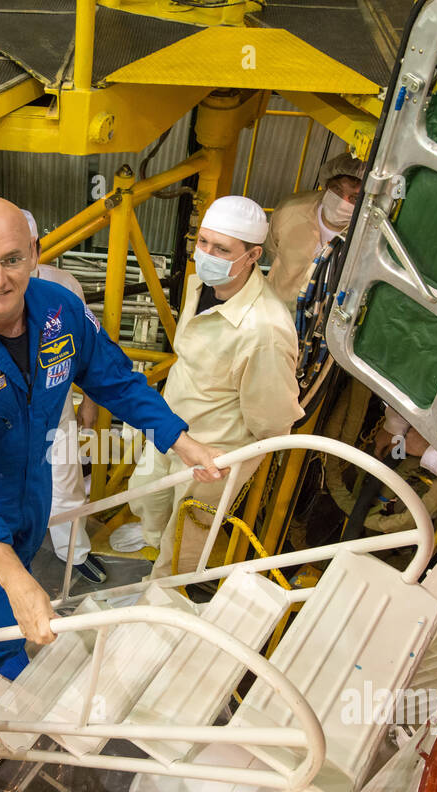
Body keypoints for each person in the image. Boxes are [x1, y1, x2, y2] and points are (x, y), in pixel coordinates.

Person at [0, 196, 223, 679]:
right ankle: (3, 676)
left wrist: (179, 439)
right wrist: (13, 578)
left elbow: (112, 376)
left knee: (18, 577)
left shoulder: (58, 310)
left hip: (34, 484)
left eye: (12, 259)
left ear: (33, 253)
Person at [129, 195, 304, 578]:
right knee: (147, 494)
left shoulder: (265, 331)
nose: (206, 254)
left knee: (184, 541)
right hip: (173, 428)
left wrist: (228, 461)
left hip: (211, 456)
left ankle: (161, 601)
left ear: (253, 254)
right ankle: (150, 541)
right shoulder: (203, 284)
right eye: (203, 242)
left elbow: (273, 425)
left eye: (221, 248)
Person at [23, 209, 107, 585]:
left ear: (36, 249)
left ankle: (74, 552)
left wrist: (90, 398)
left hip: (55, 409)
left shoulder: (65, 287)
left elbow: (90, 348)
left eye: (17, 253)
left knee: (67, 484)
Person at [266, 152, 367, 312]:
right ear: (326, 184)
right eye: (338, 190)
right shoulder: (291, 210)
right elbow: (273, 248)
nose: (342, 203)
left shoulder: (368, 237)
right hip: (274, 309)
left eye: (354, 198)